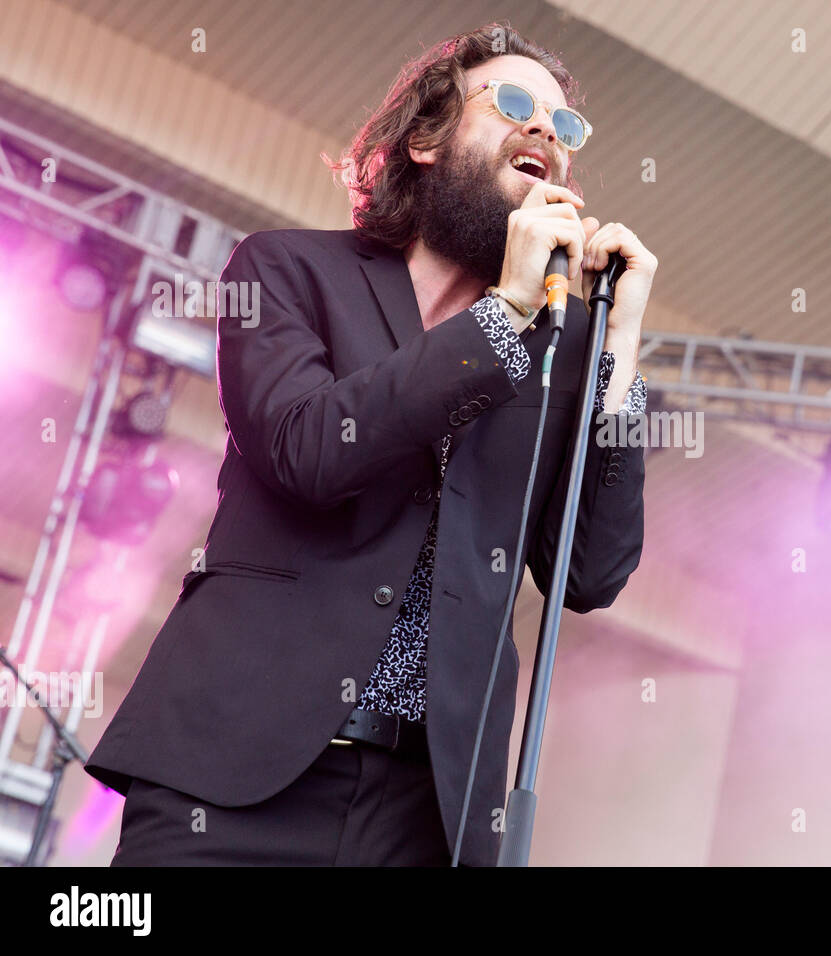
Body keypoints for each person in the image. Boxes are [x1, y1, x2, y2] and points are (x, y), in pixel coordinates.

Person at [86, 21, 655, 866]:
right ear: (424, 140)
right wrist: (500, 319)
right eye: (510, 104)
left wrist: (620, 353)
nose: (545, 131)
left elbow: (590, 573)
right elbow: (308, 450)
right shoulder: (285, 273)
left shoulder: (555, 360)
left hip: (425, 813)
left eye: (564, 126)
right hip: (232, 781)